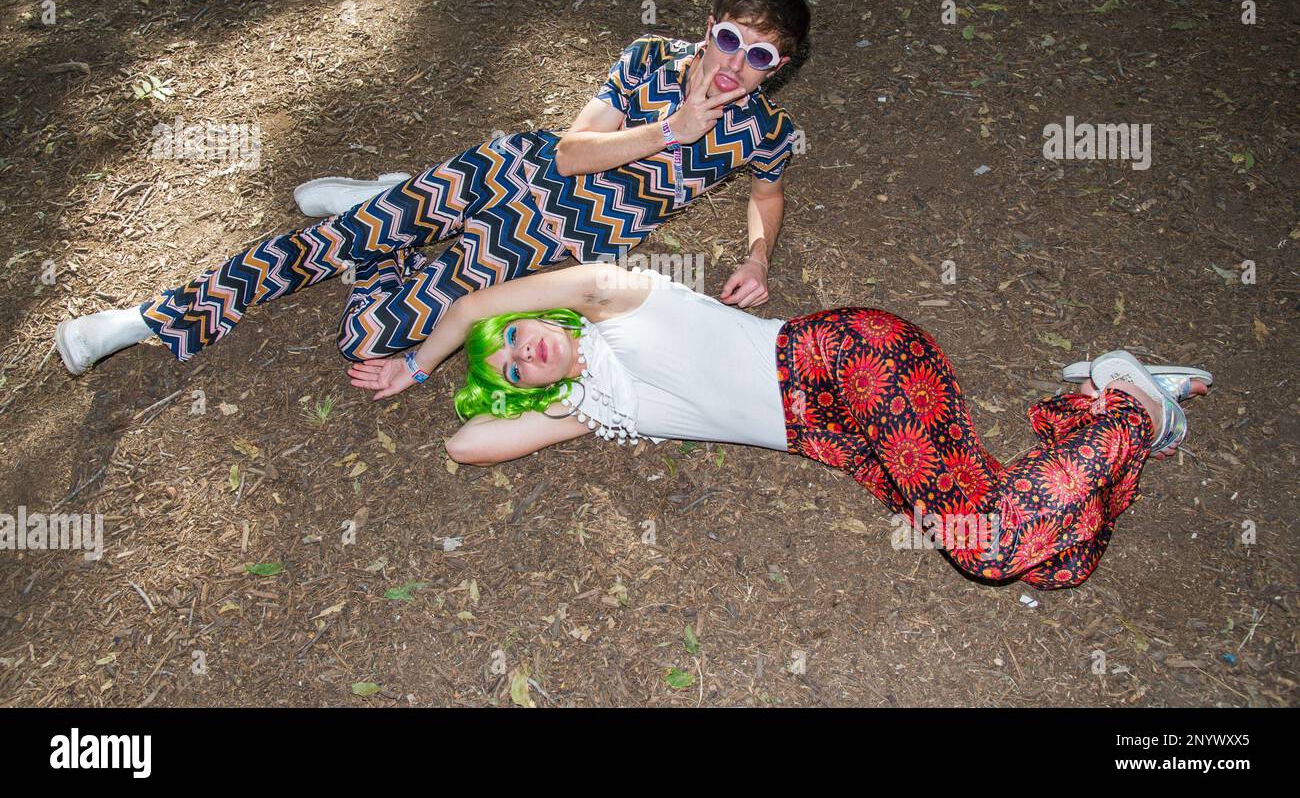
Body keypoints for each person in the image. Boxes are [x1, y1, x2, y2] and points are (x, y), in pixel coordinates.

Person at [56, 0, 809, 374]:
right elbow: (573, 150)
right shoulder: (648, 58)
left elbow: (766, 194)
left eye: (761, 56)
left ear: (778, 71)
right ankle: (148, 319)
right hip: (508, 173)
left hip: (547, 248)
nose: (736, 64)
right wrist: (668, 131)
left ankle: (397, 218)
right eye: (729, 38)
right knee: (328, 243)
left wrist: (757, 252)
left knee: (369, 338)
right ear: (709, 25)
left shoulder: (761, 129)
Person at [345, 262, 1213, 590]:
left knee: (982, 544)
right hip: (835, 438)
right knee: (1055, 562)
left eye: (518, 338)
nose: (521, 349)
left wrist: (419, 362)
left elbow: (474, 303)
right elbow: (467, 445)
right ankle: (1101, 408)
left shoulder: (612, 300)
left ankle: (1132, 407)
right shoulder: (600, 408)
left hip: (844, 360)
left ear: (548, 314)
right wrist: (512, 400)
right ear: (527, 394)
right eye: (510, 370)